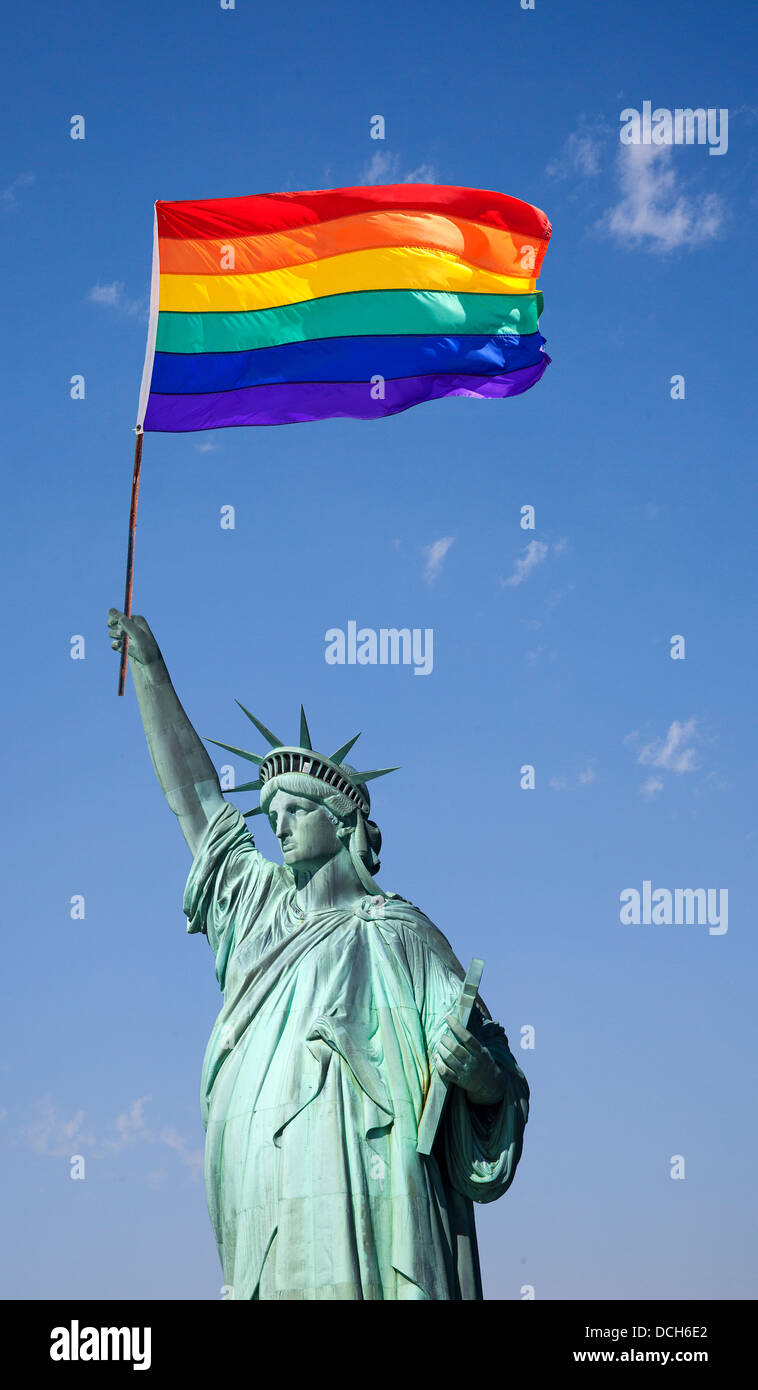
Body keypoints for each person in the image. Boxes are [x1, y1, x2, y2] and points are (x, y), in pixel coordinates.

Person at [108, 608, 529, 1300]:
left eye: (293, 809)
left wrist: (480, 1077)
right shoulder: (256, 908)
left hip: (373, 1197)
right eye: (270, 812)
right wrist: (152, 674)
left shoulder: (401, 934)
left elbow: (498, 1074)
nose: (275, 823)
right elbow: (196, 803)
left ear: (341, 825)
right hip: (266, 1197)